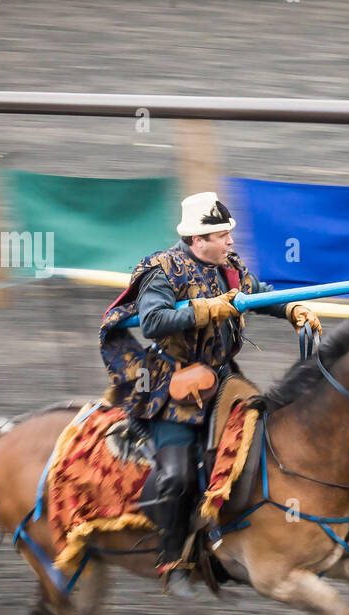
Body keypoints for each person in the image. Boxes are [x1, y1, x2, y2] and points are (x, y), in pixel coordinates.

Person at [99, 191, 321, 583]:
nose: (231, 242)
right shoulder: (162, 271)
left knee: (267, 437)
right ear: (198, 240)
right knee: (179, 475)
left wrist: (291, 308)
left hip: (223, 378)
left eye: (229, 235)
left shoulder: (229, 266)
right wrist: (208, 308)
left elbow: (256, 295)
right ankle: (174, 559)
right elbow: (152, 322)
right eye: (223, 235)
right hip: (171, 386)